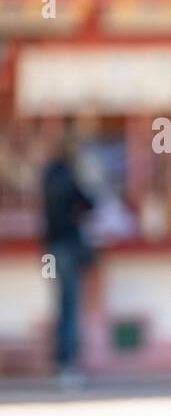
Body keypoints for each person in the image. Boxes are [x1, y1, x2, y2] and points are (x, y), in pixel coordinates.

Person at [41, 139, 95, 387]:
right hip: (66, 248)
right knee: (70, 304)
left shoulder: (46, 178)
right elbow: (89, 203)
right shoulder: (68, 178)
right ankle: (67, 364)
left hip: (48, 251)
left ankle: (59, 362)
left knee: (59, 300)